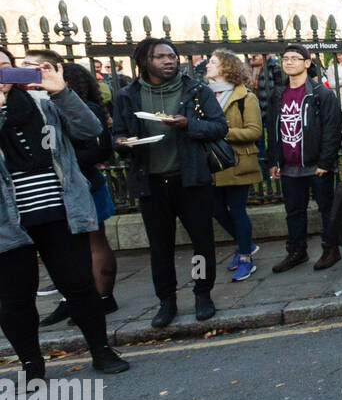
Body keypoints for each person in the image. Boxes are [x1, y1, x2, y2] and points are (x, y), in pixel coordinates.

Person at [0, 49, 129, 377]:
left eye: (3, 67)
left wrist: (60, 91)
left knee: (79, 285)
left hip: (59, 212)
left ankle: (101, 350)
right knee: (15, 300)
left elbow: (90, 130)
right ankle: (32, 365)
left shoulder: (44, 103)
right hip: (8, 223)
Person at [113, 38, 227, 327]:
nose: (169, 61)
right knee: (160, 248)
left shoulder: (196, 91)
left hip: (190, 180)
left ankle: (202, 294)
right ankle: (167, 301)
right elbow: (118, 135)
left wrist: (188, 124)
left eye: (172, 56)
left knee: (201, 243)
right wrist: (123, 143)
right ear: (144, 62)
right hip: (151, 183)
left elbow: (219, 127)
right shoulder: (128, 96)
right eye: (160, 57)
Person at [33, 56, 121, 326]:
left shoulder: (84, 107)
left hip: (86, 185)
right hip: (50, 194)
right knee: (63, 251)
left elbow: (100, 147)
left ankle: (104, 297)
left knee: (95, 243)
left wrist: (63, 163)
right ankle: (70, 300)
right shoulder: (27, 107)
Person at [267, 43, 342, 272]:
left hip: (316, 165)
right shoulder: (278, 94)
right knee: (294, 211)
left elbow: (332, 129)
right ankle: (296, 251)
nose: (289, 62)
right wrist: (273, 160)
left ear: (307, 64)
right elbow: (272, 128)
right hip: (289, 166)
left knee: (326, 209)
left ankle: (331, 250)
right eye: (285, 58)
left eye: (295, 58)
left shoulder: (322, 94)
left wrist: (325, 162)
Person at [206, 49, 264, 281]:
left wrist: (222, 132)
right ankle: (247, 244)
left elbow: (255, 131)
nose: (207, 65)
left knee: (237, 210)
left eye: (212, 62)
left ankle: (245, 259)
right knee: (217, 210)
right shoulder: (205, 96)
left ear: (226, 67)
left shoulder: (245, 97)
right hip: (212, 164)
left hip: (238, 162)